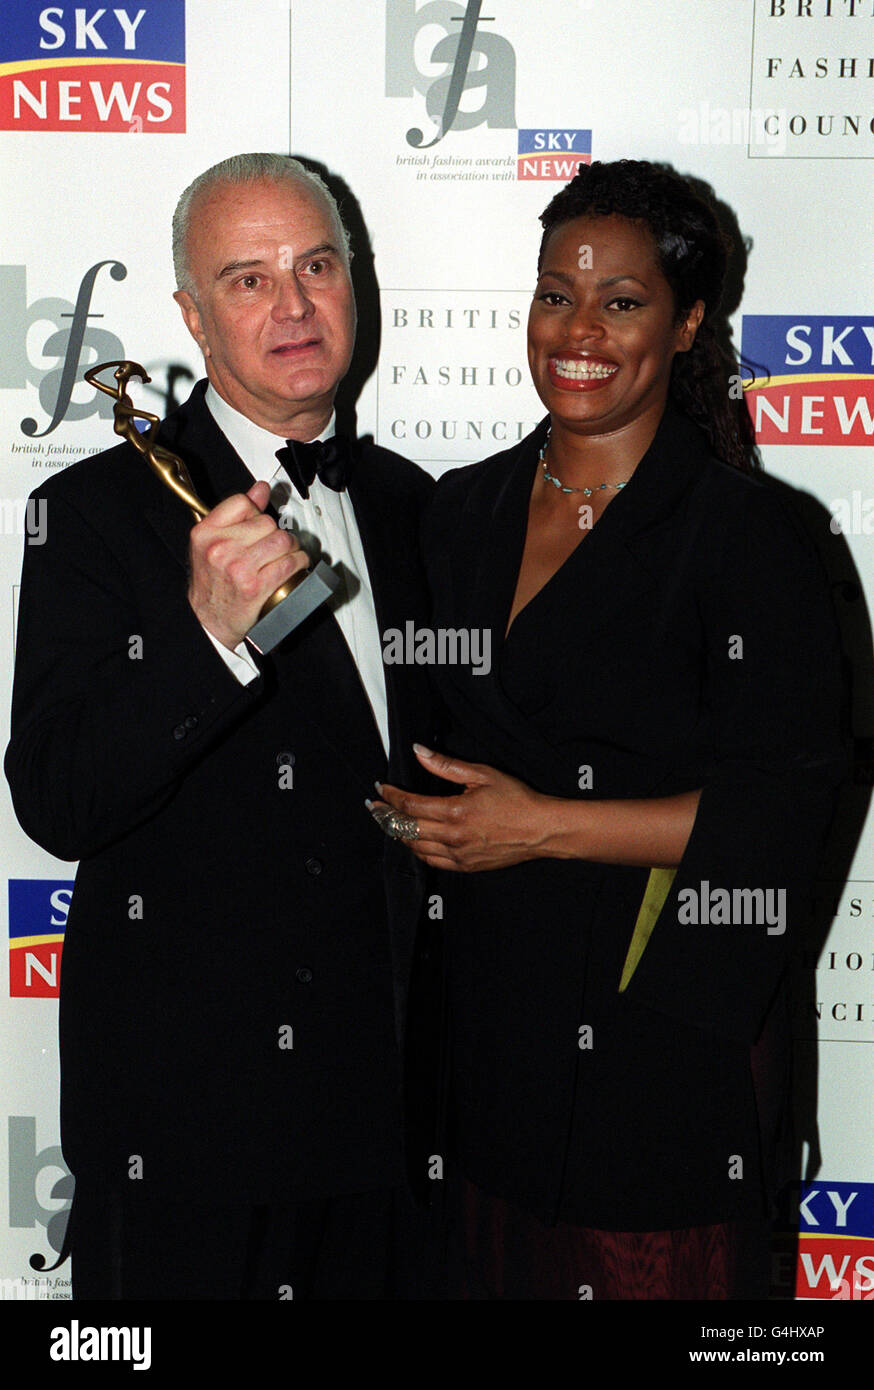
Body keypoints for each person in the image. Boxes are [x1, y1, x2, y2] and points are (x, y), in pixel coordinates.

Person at [371, 160, 848, 1300]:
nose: (577, 330)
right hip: (477, 1058)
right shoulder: (456, 509)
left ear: (686, 324)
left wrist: (541, 826)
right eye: (554, 293)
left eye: (620, 302)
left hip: (663, 1050)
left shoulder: (758, 537)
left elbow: (787, 811)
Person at [5, 153, 438, 1299]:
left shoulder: (416, 505)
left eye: (316, 266)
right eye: (247, 281)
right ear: (190, 316)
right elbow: (54, 800)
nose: (293, 306)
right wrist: (208, 638)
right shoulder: (90, 515)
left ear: (357, 283)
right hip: (186, 1149)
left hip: (389, 1136)